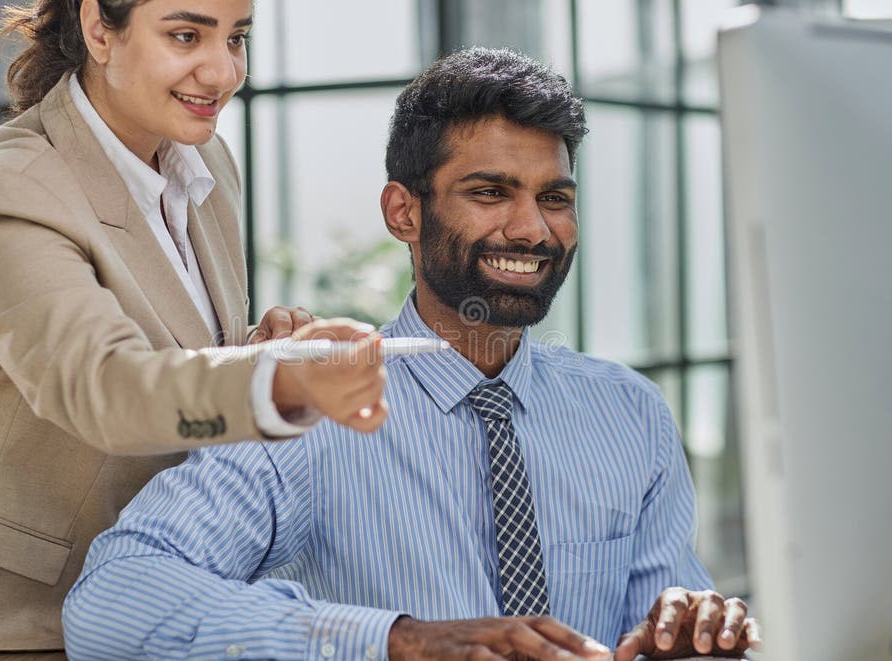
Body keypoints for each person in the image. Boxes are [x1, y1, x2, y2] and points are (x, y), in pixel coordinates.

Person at [63, 47, 761, 660]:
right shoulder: (307, 409)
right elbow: (111, 601)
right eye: (490, 192)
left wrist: (687, 641)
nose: (531, 229)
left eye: (554, 197)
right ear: (404, 212)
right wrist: (396, 642)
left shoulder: (630, 414)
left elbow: (655, 621)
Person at [0, 0, 389, 656]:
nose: (223, 72)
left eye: (236, 38)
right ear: (99, 29)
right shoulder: (12, 191)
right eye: (186, 36)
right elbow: (106, 385)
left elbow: (167, 344)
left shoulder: (204, 163)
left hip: (142, 603)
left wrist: (260, 350)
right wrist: (280, 384)